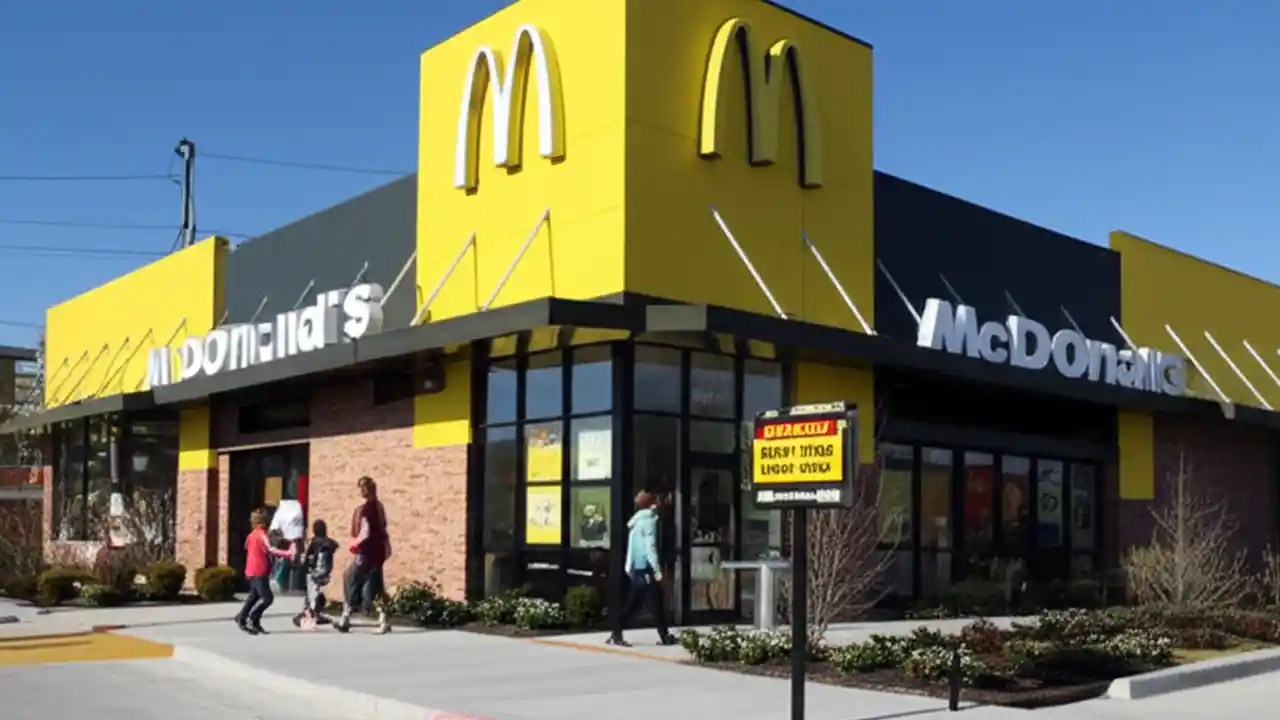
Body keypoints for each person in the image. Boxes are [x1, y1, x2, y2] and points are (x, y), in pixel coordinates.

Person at [607, 491, 677, 647]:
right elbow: (650, 547)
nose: (661, 503)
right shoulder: (650, 521)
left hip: (638, 569)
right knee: (640, 604)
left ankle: (663, 635)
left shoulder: (637, 521)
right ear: (652, 503)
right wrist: (658, 572)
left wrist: (628, 567)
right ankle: (616, 633)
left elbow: (632, 546)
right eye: (658, 500)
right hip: (646, 569)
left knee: (649, 603)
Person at [336, 476, 392, 635]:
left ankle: (346, 616)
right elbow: (383, 528)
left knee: (349, 577)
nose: (361, 490)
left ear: (370, 488)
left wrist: (354, 543)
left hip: (367, 552)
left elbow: (365, 532)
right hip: (378, 551)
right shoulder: (379, 506)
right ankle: (383, 619)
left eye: (363, 487)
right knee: (376, 585)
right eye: (360, 487)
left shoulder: (368, 509)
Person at [235, 509, 296, 635]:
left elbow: (247, 547)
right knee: (268, 598)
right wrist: (287, 554)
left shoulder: (251, 535)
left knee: (254, 596)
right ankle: (252, 618)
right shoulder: (262, 535)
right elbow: (271, 549)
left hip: (251, 570)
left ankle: (242, 618)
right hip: (259, 570)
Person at [293, 519, 338, 630]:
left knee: (312, 596)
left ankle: (308, 616)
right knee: (315, 595)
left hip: (313, 573)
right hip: (324, 574)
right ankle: (312, 614)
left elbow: (307, 559)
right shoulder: (329, 543)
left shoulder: (313, 543)